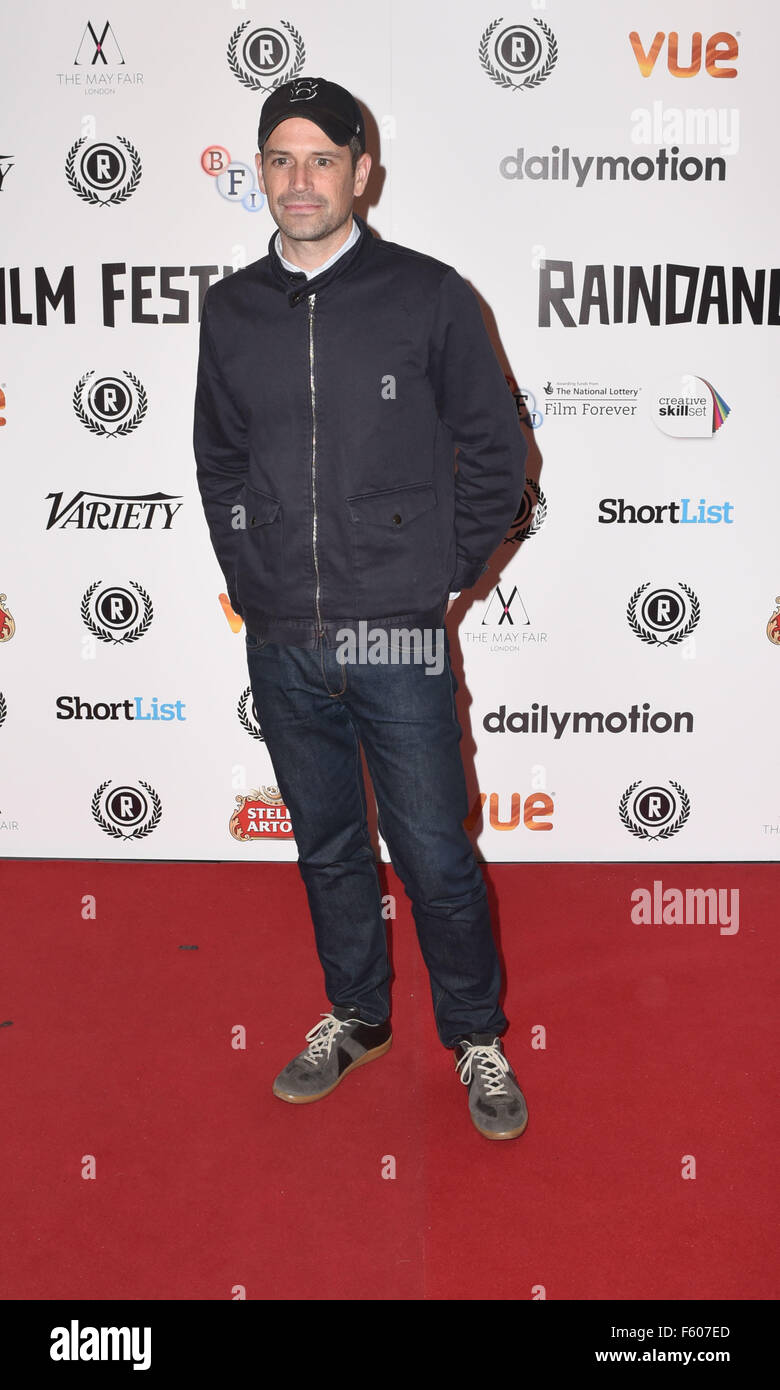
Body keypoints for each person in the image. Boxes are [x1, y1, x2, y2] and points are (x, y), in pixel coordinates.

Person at [194, 77, 529, 1140]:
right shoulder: (231, 311)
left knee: (433, 852)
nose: (300, 180)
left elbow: (499, 451)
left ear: (361, 173)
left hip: (397, 630)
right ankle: (358, 1015)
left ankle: (474, 1034)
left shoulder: (429, 296)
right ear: (261, 173)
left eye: (322, 159)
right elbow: (219, 461)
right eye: (281, 159)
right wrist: (250, 573)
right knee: (329, 845)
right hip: (282, 635)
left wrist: (442, 572)